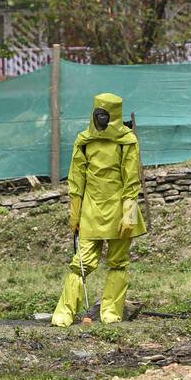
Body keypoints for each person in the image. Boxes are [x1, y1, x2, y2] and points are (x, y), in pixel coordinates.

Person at [51, 92, 146, 326]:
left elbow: (132, 181)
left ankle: (111, 314)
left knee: (118, 262)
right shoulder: (84, 141)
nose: (100, 118)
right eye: (98, 114)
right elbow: (76, 180)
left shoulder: (127, 141)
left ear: (114, 115)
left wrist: (130, 215)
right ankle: (64, 313)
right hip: (91, 211)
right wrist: (75, 214)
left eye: (105, 114)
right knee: (81, 262)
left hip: (120, 210)